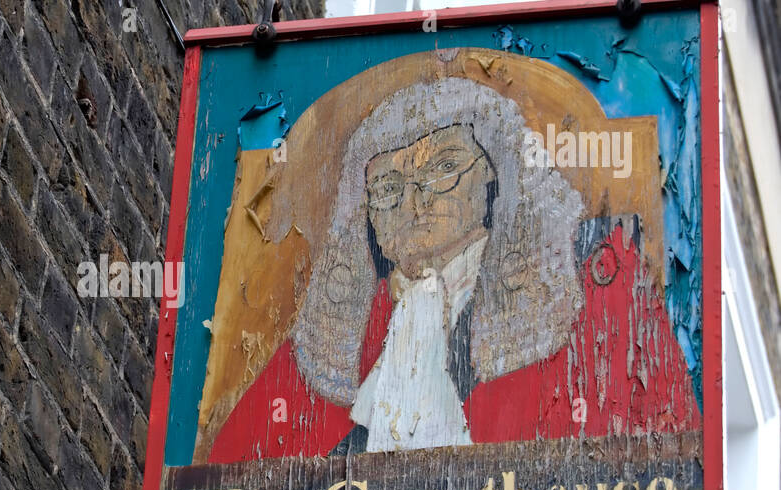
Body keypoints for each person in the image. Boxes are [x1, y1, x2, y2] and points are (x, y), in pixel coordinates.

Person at [205, 78, 699, 464]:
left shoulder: (590, 276)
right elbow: (220, 483)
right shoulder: (331, 334)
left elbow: (672, 453)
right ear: (366, 216)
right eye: (389, 188)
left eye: (442, 167)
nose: (415, 202)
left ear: (493, 171)